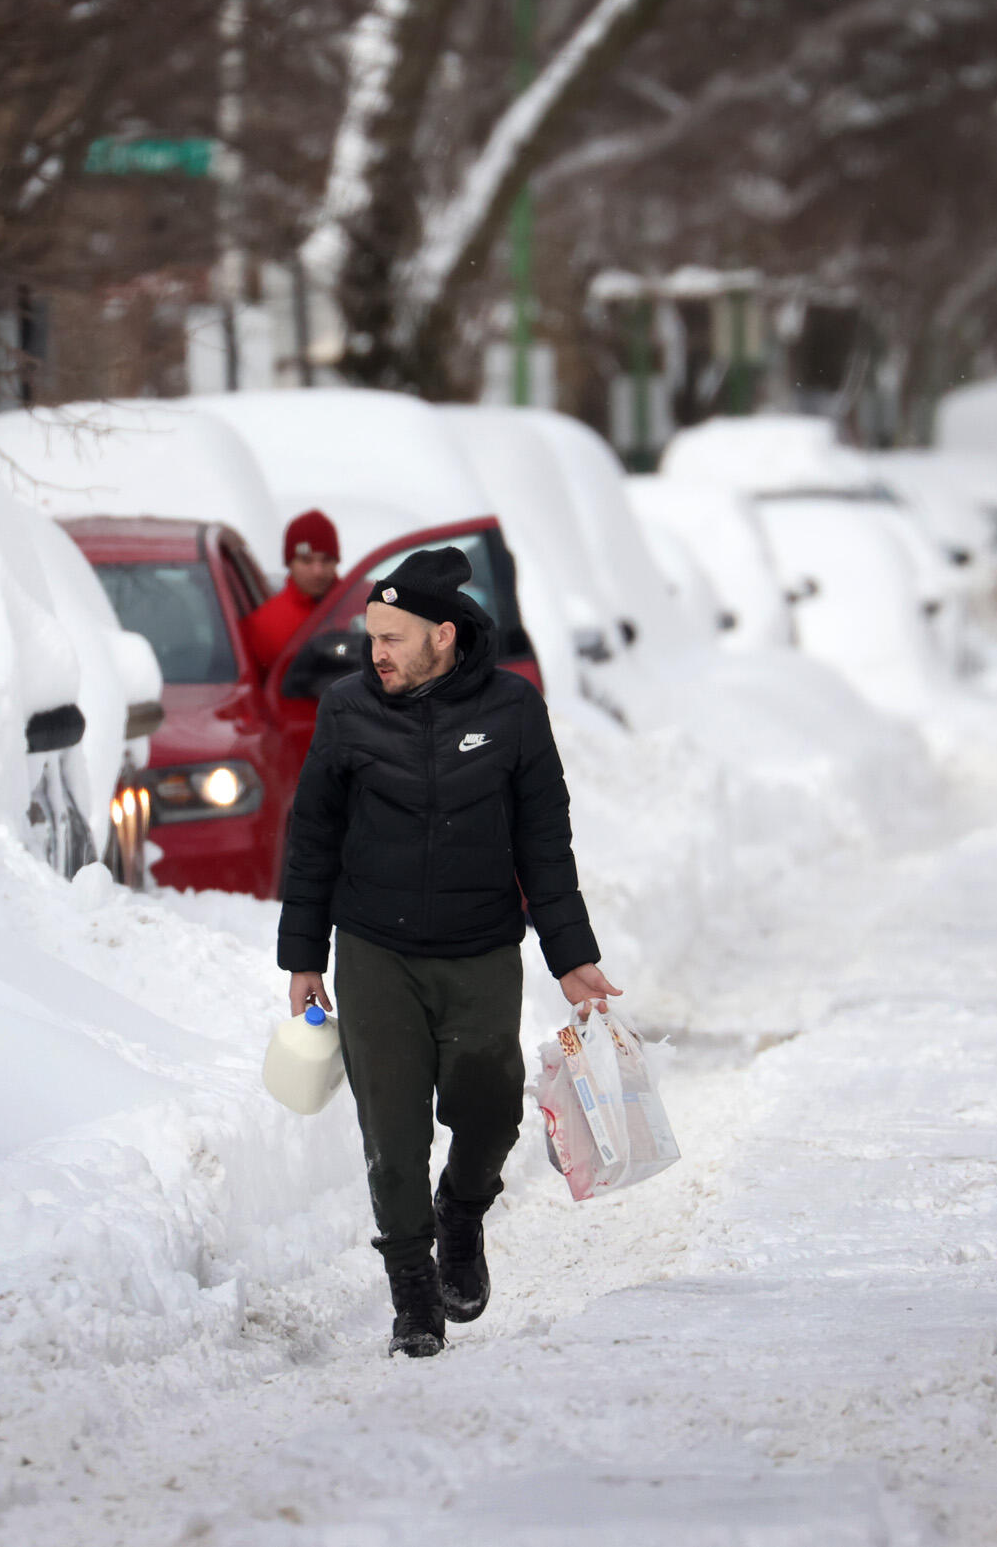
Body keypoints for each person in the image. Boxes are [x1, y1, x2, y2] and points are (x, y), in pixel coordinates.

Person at [277, 545, 619, 1357]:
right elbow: (313, 836)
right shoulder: (347, 710)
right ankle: (412, 1294)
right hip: (374, 951)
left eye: (394, 637)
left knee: (490, 1105)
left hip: (478, 949)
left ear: (444, 634)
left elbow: (544, 840)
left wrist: (569, 954)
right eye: (371, 637)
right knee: (390, 1135)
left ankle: (462, 1213)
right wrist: (303, 956)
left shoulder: (512, 708)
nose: (377, 654)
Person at [245, 509, 341, 671]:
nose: (317, 571)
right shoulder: (264, 624)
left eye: (326, 560)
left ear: (336, 562)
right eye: (306, 561)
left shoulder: (363, 607)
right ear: (290, 563)